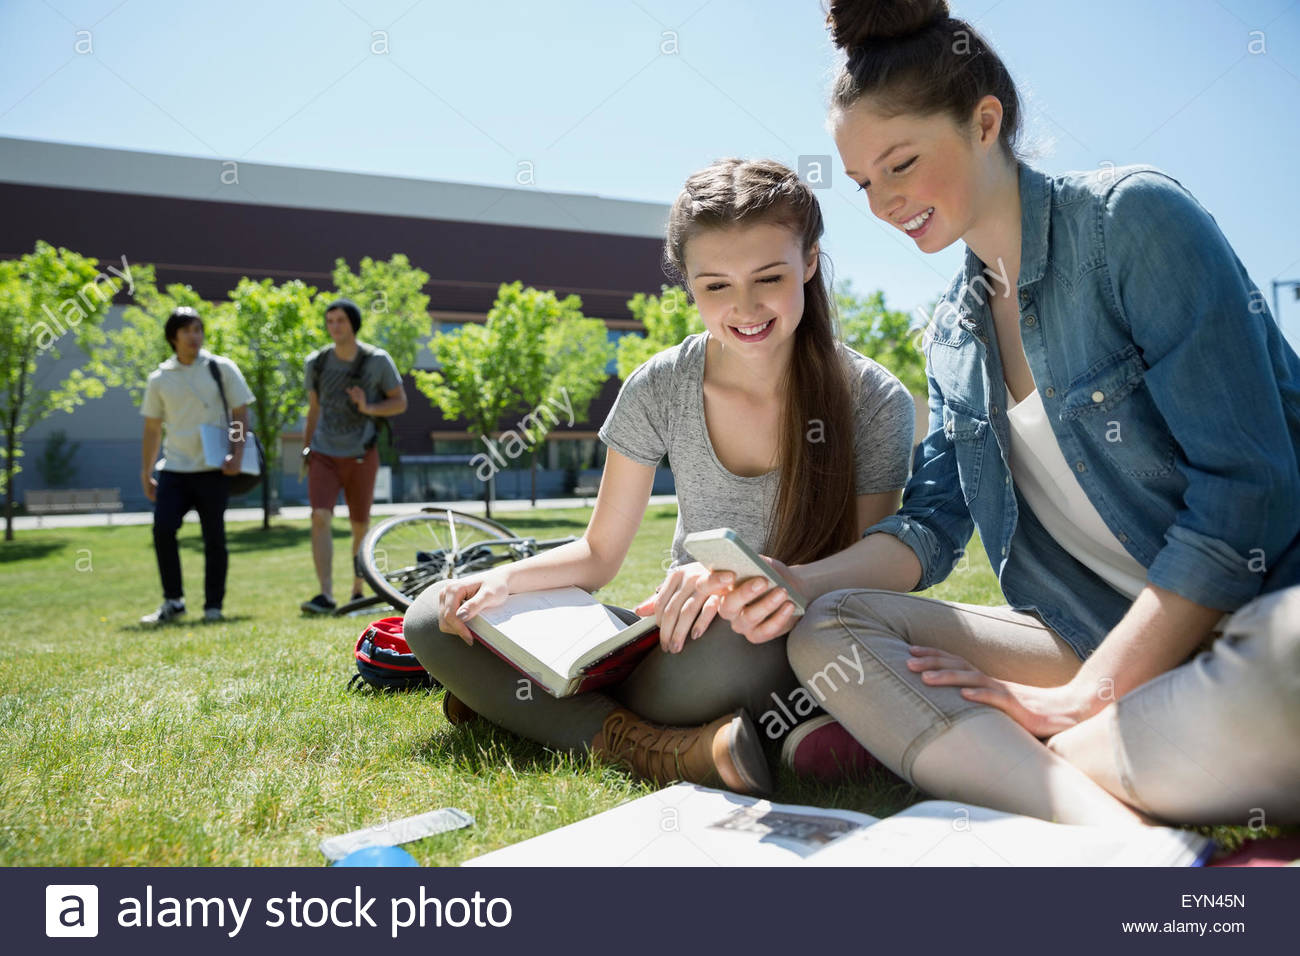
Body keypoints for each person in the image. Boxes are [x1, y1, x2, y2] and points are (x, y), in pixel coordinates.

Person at [704, 0, 1300, 826]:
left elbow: (1247, 496)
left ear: (986, 122)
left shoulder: (1131, 222)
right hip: (1082, 634)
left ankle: (1027, 760)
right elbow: (932, 528)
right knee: (830, 631)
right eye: (866, 183)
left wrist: (1089, 693)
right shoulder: (951, 333)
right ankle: (1108, 816)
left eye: (901, 163)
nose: (884, 202)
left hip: (1241, 625)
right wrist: (800, 581)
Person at [403, 158, 916, 794]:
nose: (745, 307)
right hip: (662, 637)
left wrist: (751, 585)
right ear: (688, 285)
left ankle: (527, 711)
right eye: (715, 286)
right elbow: (597, 555)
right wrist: (503, 578)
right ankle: (662, 748)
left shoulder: (874, 399)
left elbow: (867, 574)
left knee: (732, 645)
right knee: (435, 614)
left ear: (810, 262)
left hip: (764, 642)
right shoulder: (661, 384)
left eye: (769, 277)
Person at [139, 306, 255, 624]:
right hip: (174, 469)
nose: (194, 336)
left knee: (214, 538)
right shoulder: (160, 378)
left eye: (198, 329)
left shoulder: (222, 368)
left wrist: (235, 452)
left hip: (213, 469)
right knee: (163, 530)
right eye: (187, 330)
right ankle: (173, 601)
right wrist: (146, 471)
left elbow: (240, 412)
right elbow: (152, 429)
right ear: (173, 337)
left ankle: (213, 607)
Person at [300, 298, 407, 614]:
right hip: (323, 453)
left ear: (354, 324)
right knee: (319, 516)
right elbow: (313, 410)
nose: (334, 326)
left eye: (341, 320)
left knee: (360, 525)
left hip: (362, 453)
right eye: (329, 320)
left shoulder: (377, 360)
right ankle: (325, 594)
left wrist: (368, 407)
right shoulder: (316, 362)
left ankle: (358, 590)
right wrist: (307, 451)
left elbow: (400, 402)